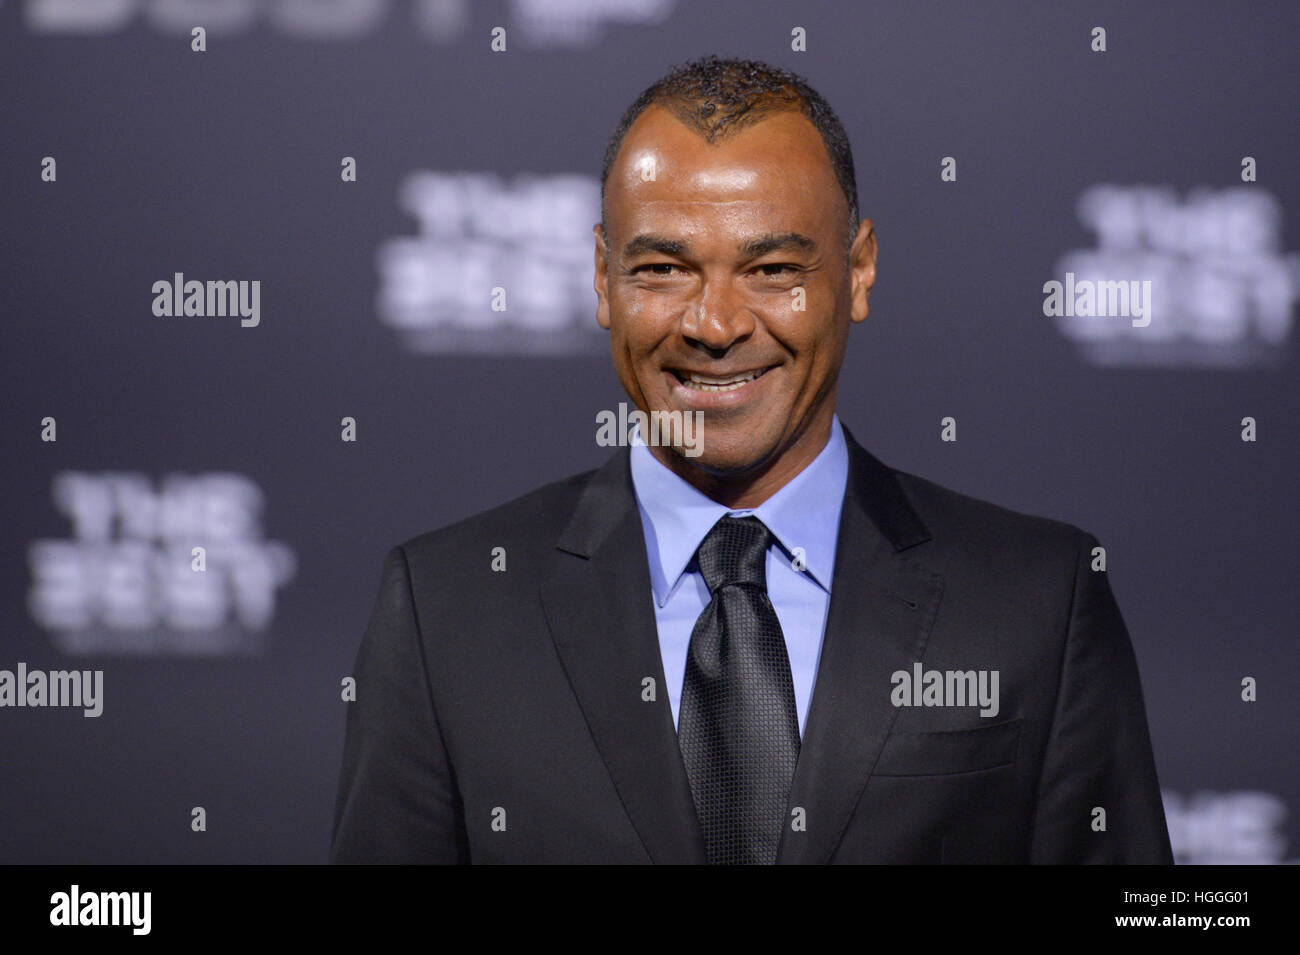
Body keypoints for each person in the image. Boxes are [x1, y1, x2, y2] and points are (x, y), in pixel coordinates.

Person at [330, 55, 1172, 864]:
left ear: (860, 268)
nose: (716, 322)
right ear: (601, 277)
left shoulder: (1039, 600)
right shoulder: (447, 611)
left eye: (772, 269)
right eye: (663, 268)